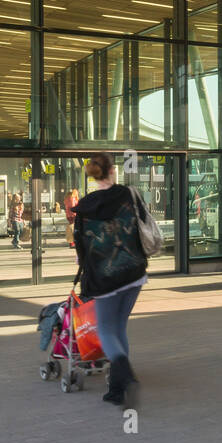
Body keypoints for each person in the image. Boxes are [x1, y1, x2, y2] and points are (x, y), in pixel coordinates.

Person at [73, 153, 148, 408]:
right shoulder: (129, 194)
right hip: (134, 273)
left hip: (105, 279)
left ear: (93, 174)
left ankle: (125, 377)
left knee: (106, 330)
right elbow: (143, 223)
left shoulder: (84, 207)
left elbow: (81, 250)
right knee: (119, 328)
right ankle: (116, 389)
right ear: (112, 170)